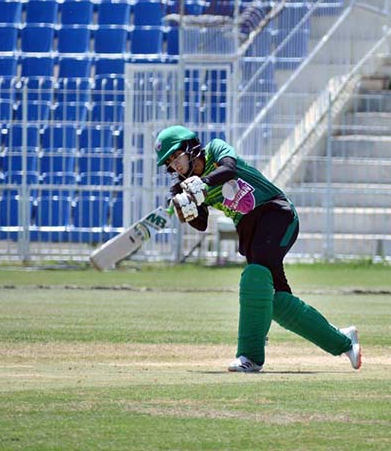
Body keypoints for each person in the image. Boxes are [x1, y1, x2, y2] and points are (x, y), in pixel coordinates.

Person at [154, 125, 362, 372]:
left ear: (190, 147)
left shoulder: (215, 150)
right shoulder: (184, 185)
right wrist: (185, 209)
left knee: (255, 276)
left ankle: (249, 357)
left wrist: (203, 183)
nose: (175, 166)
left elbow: (229, 170)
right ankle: (344, 341)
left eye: (176, 156)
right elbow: (200, 223)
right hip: (250, 232)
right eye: (169, 162)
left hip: (276, 214)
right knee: (275, 301)